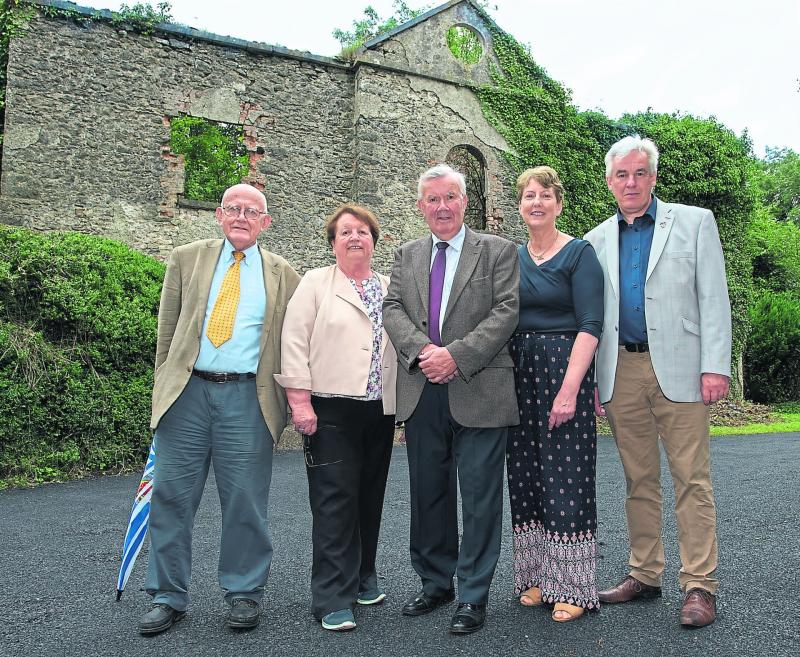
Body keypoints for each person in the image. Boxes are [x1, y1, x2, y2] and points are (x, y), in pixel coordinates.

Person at [139, 183, 300, 635]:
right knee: (171, 497)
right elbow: (166, 332)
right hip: (186, 394)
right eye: (234, 208)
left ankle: (244, 592)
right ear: (218, 214)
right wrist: (163, 391)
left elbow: (292, 342)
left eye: (252, 211)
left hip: (248, 398)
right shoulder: (186, 258)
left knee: (246, 500)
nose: (242, 217)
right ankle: (168, 596)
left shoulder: (284, 273)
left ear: (265, 222)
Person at [584, 135, 732, 628]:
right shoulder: (595, 239)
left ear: (653, 177)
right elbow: (590, 317)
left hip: (684, 368)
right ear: (610, 182)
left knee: (692, 478)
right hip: (620, 371)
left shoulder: (694, 223)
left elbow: (713, 298)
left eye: (640, 172)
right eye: (622, 174)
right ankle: (645, 574)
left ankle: (699, 585)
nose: (631, 182)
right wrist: (593, 379)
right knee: (638, 480)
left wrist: (716, 365)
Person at [383, 163, 519, 635]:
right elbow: (392, 307)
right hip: (422, 389)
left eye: (450, 197)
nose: (442, 207)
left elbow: (507, 310)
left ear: (465, 201)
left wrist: (456, 357)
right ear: (421, 207)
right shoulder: (406, 255)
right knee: (428, 493)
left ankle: (473, 594)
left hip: (479, 387)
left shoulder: (499, 251)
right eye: (433, 200)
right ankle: (435, 583)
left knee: (480, 498)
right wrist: (423, 352)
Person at [275, 205, 397, 632]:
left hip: (379, 410)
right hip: (330, 408)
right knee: (334, 502)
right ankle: (331, 596)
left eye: (362, 231)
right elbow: (293, 342)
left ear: (374, 241)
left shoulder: (388, 287)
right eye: (345, 232)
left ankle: (364, 576)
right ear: (333, 242)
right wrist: (299, 402)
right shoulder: (315, 284)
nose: (354, 238)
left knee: (369, 497)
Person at [507, 166, 604, 622]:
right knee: (526, 474)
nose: (537, 203)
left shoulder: (580, 254)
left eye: (545, 195)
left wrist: (569, 391)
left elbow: (590, 326)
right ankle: (535, 576)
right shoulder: (512, 257)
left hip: (565, 372)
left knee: (568, 477)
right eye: (529, 196)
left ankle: (572, 586)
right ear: (521, 206)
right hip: (520, 372)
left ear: (559, 204)